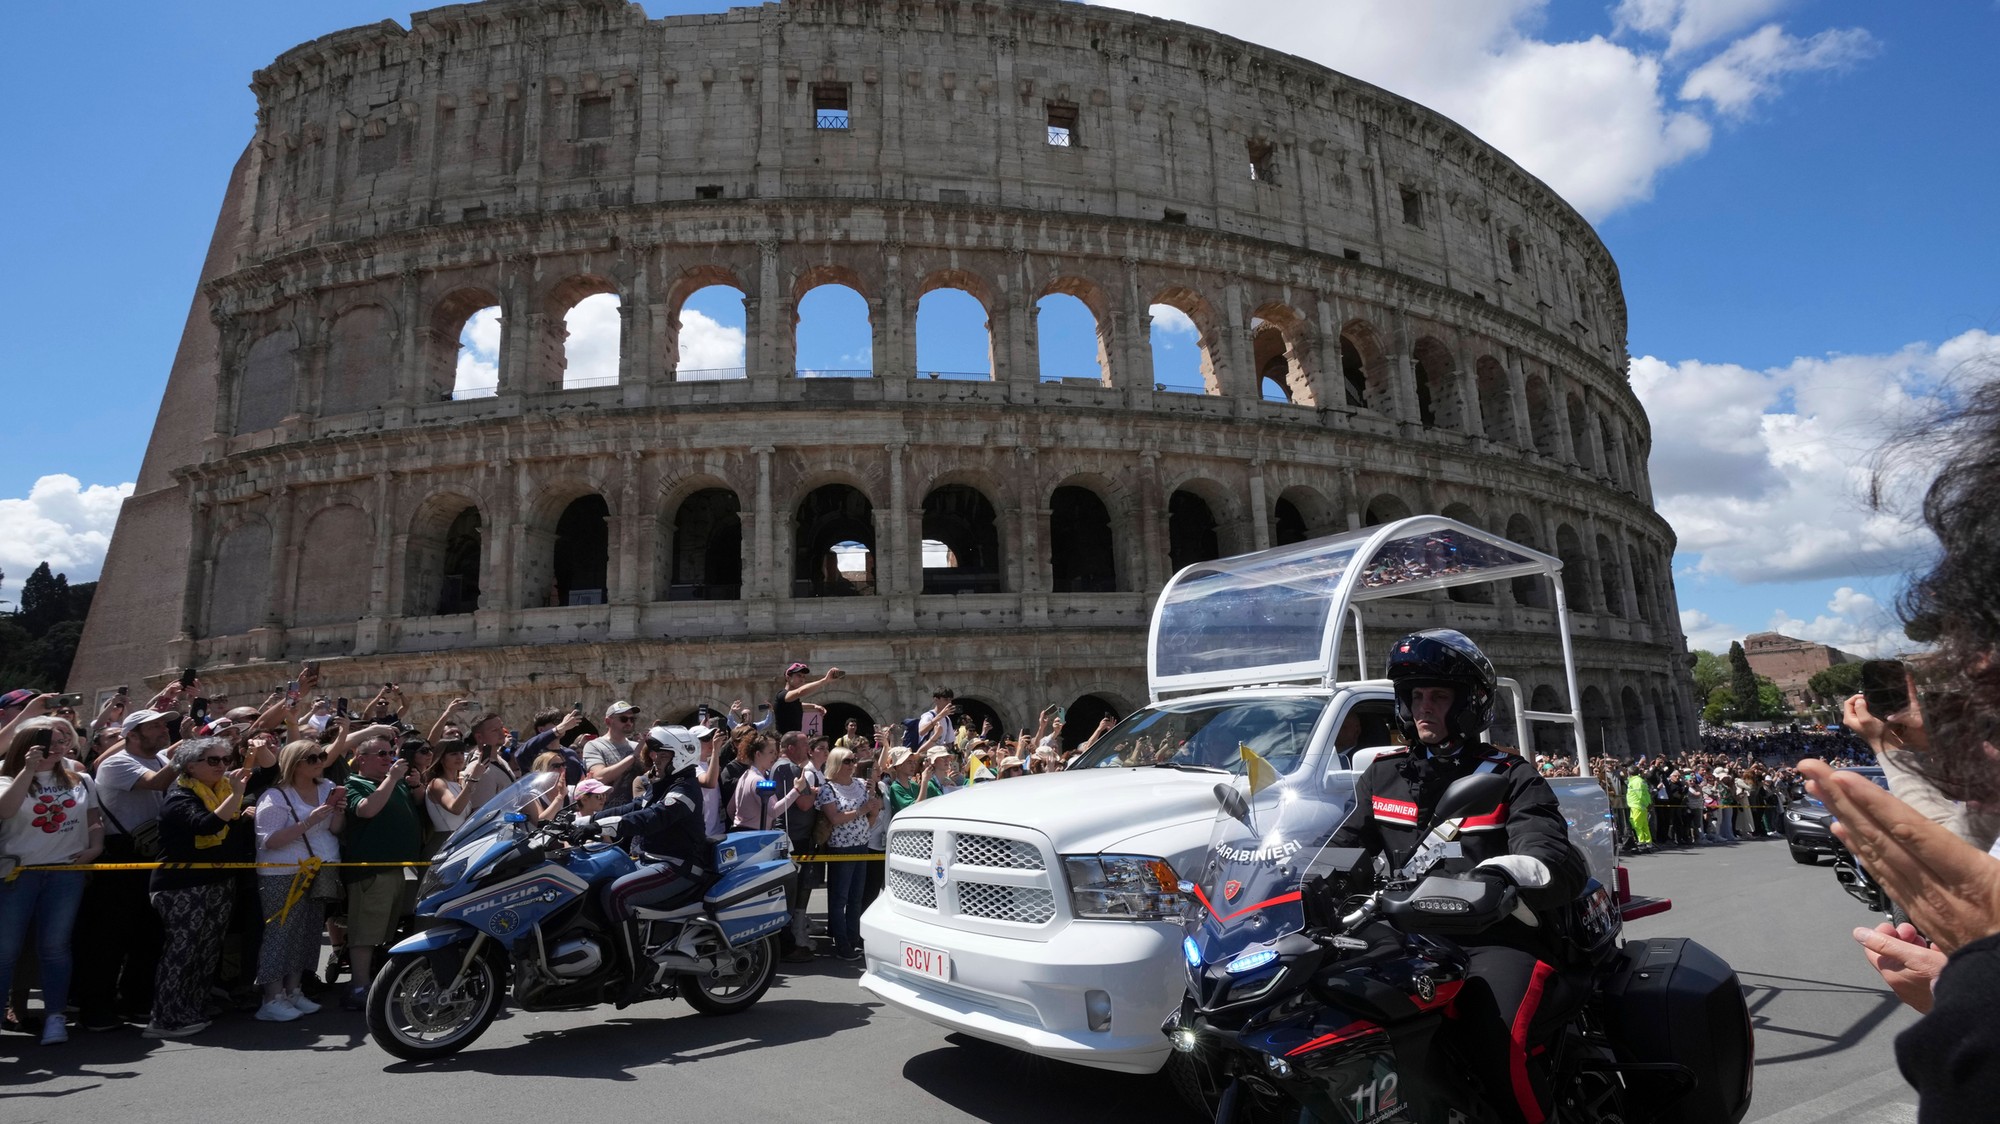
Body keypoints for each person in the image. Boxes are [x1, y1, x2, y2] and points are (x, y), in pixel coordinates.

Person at [1326, 630, 1588, 1124]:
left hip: (1492, 939)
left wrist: (1504, 875)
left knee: (1498, 1038)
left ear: (1469, 705)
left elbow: (1549, 850)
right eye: (1416, 696)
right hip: (1408, 936)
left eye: (1439, 696)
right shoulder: (1383, 775)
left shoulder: (1510, 774)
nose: (1424, 707)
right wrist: (1301, 878)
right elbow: (1344, 846)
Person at [71, 707, 177, 1031]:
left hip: (151, 852)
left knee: (149, 933)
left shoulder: (159, 758)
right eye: (154, 726)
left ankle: (135, 1001)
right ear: (131, 735)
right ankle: (96, 1008)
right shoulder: (119, 763)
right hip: (120, 854)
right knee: (110, 936)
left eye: (163, 725)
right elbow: (157, 783)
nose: (163, 730)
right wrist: (187, 754)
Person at [0, 717, 102, 1045]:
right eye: (47, 742)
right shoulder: (5, 777)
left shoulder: (81, 779)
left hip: (64, 873)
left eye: (61, 742)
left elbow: (94, 820)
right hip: (18, 874)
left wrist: (95, 847)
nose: (55, 748)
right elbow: (5, 810)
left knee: (55, 947)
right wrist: (29, 770)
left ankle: (55, 1016)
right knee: (5, 950)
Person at [593, 726, 712, 1004]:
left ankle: (637, 970)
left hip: (679, 867)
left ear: (681, 755)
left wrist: (609, 825)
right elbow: (634, 808)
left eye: (661, 754)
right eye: (654, 752)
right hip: (651, 860)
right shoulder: (662, 784)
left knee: (616, 894)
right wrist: (585, 820)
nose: (654, 758)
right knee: (595, 879)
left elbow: (653, 817)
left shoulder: (684, 789)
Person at [146, 736, 254, 1038]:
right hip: (181, 884)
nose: (222, 766)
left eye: (225, 760)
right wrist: (237, 795)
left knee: (206, 949)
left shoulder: (220, 792)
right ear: (190, 766)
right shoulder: (180, 796)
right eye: (213, 760)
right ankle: (165, 1018)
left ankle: (192, 1006)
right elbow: (206, 825)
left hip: (217, 881)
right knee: (182, 949)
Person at [252, 738, 345, 1021]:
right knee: (281, 932)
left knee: (308, 932)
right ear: (295, 764)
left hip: (321, 868)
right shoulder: (276, 796)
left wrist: (338, 811)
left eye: (322, 756)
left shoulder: (327, 788)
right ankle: (271, 997)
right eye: (313, 758)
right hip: (284, 871)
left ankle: (293, 990)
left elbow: (334, 829)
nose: (320, 762)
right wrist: (309, 820)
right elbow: (269, 841)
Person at [339, 729, 424, 1011]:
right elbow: (366, 810)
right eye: (382, 754)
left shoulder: (394, 783)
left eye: (391, 753)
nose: (389, 759)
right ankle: (358, 986)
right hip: (370, 869)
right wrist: (392, 779)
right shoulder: (355, 783)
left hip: (396, 868)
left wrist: (415, 786)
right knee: (365, 931)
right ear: (360, 759)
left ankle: (375, 983)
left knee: (384, 930)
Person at [815, 748, 880, 961]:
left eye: (853, 760)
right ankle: (841, 941)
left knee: (855, 897)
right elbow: (834, 818)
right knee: (840, 897)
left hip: (861, 844)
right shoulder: (828, 789)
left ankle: (853, 938)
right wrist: (861, 812)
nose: (852, 764)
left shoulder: (861, 785)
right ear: (836, 763)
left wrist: (872, 811)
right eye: (847, 761)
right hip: (841, 848)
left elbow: (869, 815)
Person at [1624, 766, 1654, 852]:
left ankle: (1642, 843)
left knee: (1637, 825)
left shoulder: (1636, 782)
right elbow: (1646, 794)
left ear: (1629, 773)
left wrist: (1646, 804)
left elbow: (1640, 795)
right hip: (1640, 806)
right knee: (1644, 825)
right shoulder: (1640, 781)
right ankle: (1648, 843)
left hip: (1637, 805)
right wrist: (1648, 803)